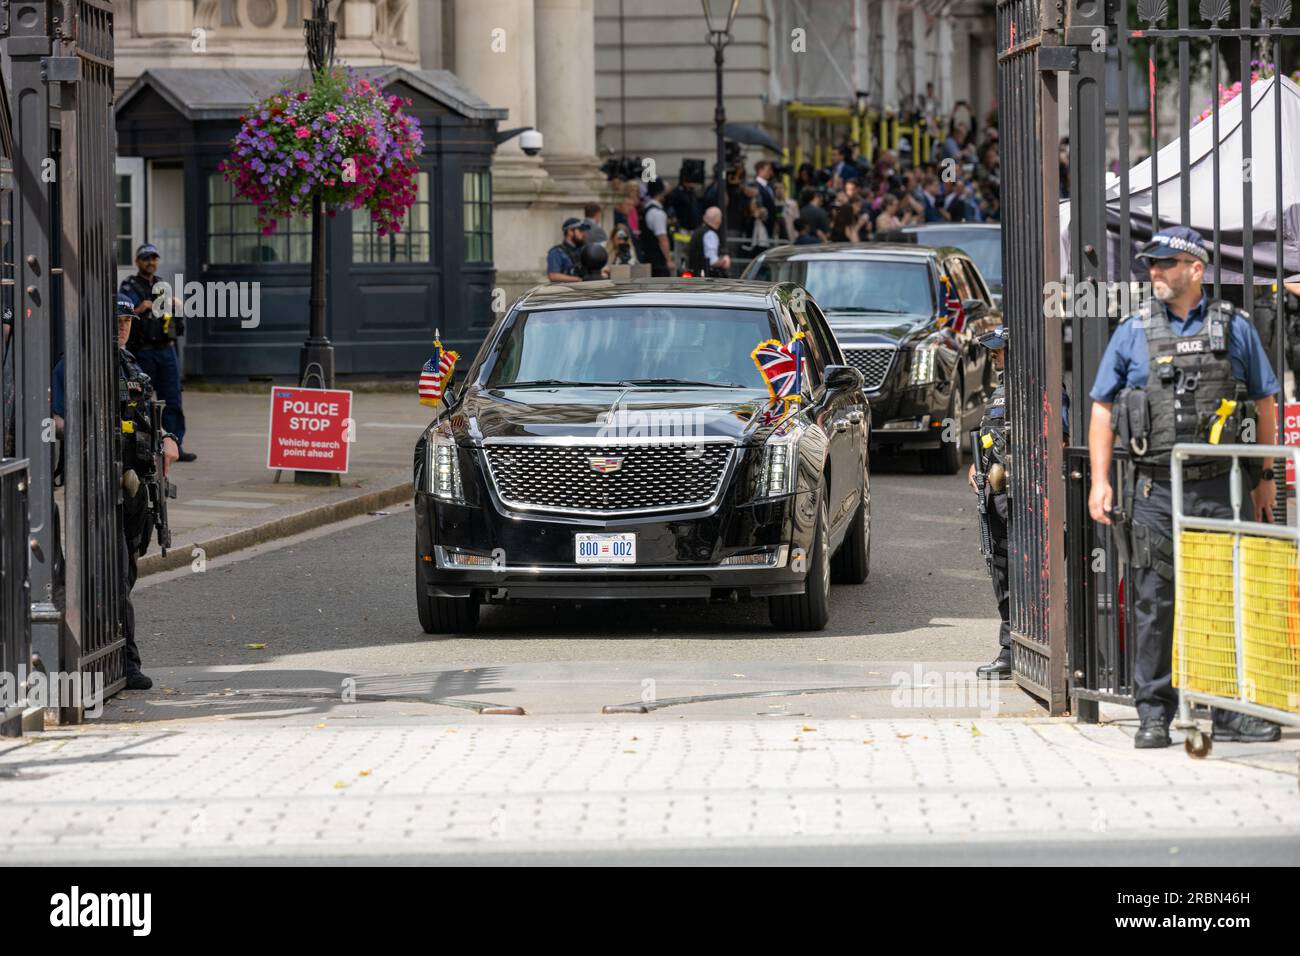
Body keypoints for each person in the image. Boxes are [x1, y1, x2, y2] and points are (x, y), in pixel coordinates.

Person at [1087, 226, 1282, 749]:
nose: (1154, 272)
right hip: (1152, 492)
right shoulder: (1133, 330)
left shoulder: (1233, 328)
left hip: (1218, 487)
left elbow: (1265, 402)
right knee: (1155, 602)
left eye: (1165, 263)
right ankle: (1154, 714)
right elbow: (1102, 406)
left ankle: (1227, 713)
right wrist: (1101, 479)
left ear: (1196, 270)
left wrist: (1265, 478)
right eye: (1150, 263)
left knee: (1219, 599)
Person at [53, 295, 179, 691]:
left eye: (127, 320)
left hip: (137, 486)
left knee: (126, 569)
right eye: (116, 321)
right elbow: (58, 419)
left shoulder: (129, 362)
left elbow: (145, 414)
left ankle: (110, 655)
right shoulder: (76, 363)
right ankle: (122, 661)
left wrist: (166, 437)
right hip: (98, 485)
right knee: (110, 573)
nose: (123, 327)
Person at [119, 243, 194, 462]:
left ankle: (176, 445)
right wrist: (142, 306)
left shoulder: (162, 285)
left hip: (166, 349)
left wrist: (175, 306)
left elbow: (176, 321)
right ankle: (150, 446)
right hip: (143, 351)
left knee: (173, 399)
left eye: (153, 258)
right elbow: (125, 312)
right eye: (146, 258)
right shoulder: (129, 286)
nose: (150, 262)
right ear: (137, 262)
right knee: (144, 400)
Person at [638, 177, 672, 277]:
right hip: (658, 262)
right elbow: (662, 239)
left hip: (648, 258)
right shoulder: (657, 213)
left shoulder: (646, 208)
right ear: (661, 192)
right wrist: (669, 260)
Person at [685, 206, 732, 277]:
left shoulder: (698, 232)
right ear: (718, 220)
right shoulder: (710, 234)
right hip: (706, 279)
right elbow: (712, 261)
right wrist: (725, 261)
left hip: (695, 276)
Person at [546, 218, 589, 283]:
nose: (584, 234)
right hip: (566, 291)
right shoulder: (556, 252)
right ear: (570, 231)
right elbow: (553, 276)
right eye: (581, 230)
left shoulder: (583, 250)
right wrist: (580, 280)